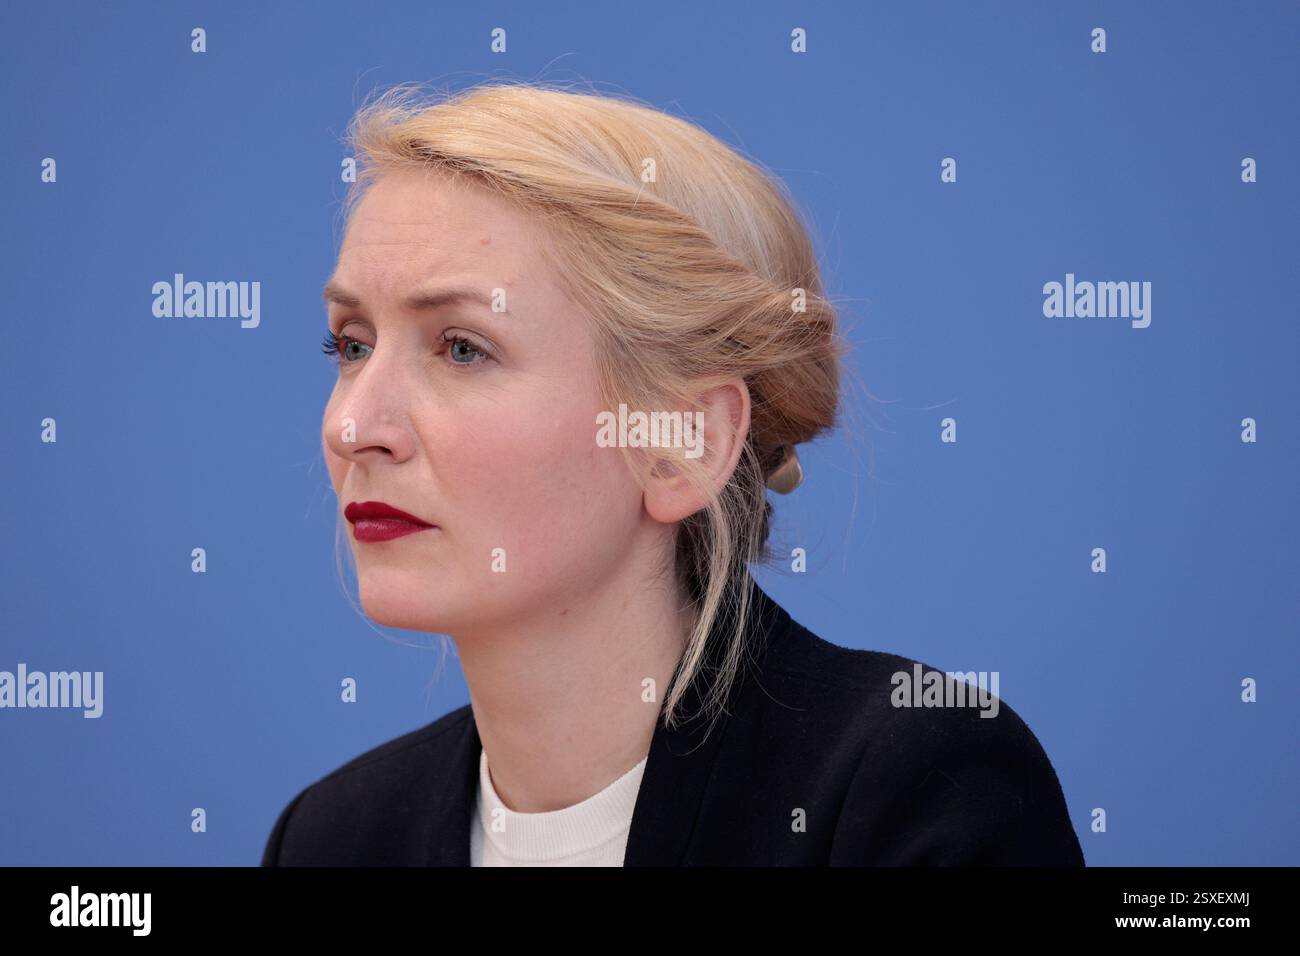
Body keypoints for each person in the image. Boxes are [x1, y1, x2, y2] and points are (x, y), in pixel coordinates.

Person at [261, 80, 1084, 866]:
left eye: (463, 348)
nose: (352, 426)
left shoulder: (909, 791)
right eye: (353, 344)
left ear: (682, 444)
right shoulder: (333, 838)